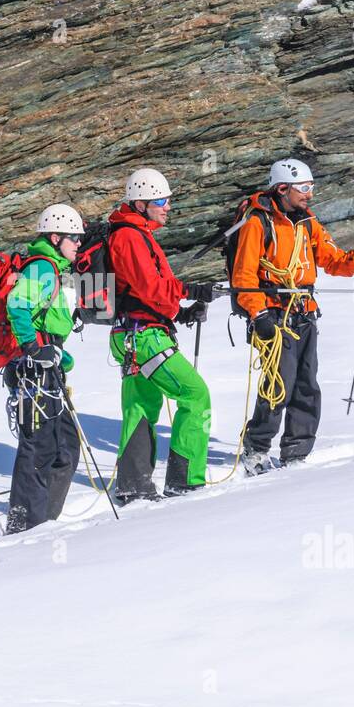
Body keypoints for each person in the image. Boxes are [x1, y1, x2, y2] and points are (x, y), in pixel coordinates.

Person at [232, 158, 354, 474]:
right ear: (282, 188)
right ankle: (256, 448)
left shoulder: (307, 222)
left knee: (306, 384)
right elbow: (243, 276)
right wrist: (258, 314)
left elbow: (333, 261)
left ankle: (296, 452)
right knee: (280, 385)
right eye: (304, 188)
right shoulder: (257, 223)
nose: (309, 194)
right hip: (274, 316)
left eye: (311, 187)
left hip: (304, 313)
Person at [106, 168, 216, 500]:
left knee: (141, 406)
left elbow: (144, 294)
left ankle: (133, 486)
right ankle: (184, 482)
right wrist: (189, 288)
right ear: (140, 204)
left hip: (133, 334)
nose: (168, 207)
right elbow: (150, 287)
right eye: (161, 201)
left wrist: (180, 312)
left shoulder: (136, 234)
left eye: (168, 200)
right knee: (196, 396)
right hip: (143, 338)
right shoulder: (129, 237)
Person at [4, 204, 84, 533]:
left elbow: (42, 311)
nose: (78, 244)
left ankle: (43, 521)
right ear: (56, 237)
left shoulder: (51, 268)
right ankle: (25, 525)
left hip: (48, 368)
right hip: (34, 370)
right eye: (74, 238)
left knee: (64, 444)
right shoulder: (42, 268)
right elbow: (17, 304)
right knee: (40, 446)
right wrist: (32, 348)